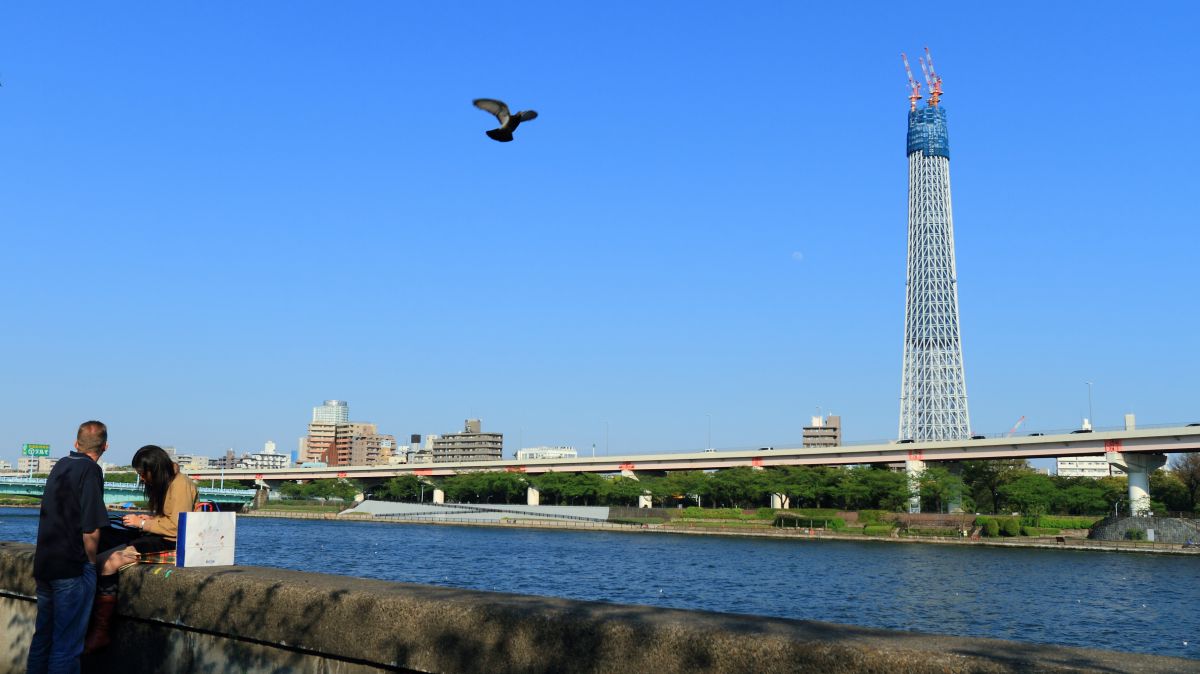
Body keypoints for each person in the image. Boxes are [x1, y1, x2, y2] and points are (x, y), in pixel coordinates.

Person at [83, 445, 198, 653]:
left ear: (154, 469)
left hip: (171, 542)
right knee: (103, 536)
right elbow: (168, 519)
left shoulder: (181, 485)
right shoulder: (169, 481)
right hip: (159, 534)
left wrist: (143, 524)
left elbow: (177, 527)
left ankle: (101, 630)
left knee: (109, 561)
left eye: (142, 474)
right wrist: (150, 519)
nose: (142, 479)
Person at [26, 420, 110, 674]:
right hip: (71, 568)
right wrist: (91, 563)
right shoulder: (91, 471)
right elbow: (91, 528)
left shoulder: (61, 465)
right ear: (105, 446)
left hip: (46, 563)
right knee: (66, 646)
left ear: (76, 443)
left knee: (43, 638)